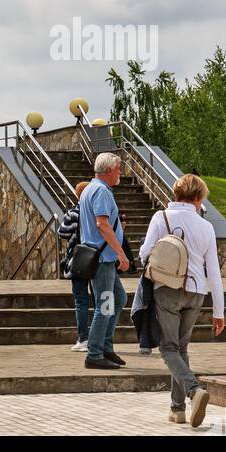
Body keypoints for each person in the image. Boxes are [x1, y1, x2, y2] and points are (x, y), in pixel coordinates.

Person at [139, 173, 225, 427]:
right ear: (198, 198)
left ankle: (193, 391)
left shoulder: (161, 217)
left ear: (177, 194)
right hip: (197, 292)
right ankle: (177, 410)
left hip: (167, 288)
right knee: (181, 348)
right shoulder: (206, 227)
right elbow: (214, 271)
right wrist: (219, 311)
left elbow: (145, 252)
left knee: (168, 348)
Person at [80, 152, 129, 369]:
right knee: (106, 306)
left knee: (118, 299)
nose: (120, 173)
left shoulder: (91, 188)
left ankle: (105, 347)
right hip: (103, 260)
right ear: (109, 171)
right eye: (119, 169)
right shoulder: (101, 191)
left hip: (101, 259)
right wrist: (121, 253)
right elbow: (102, 224)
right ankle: (95, 353)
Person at [59, 180, 92, 350]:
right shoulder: (96, 211)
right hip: (97, 260)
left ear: (77, 195)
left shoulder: (74, 213)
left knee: (81, 300)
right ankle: (100, 337)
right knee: (101, 300)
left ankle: (83, 338)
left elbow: (63, 232)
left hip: (78, 259)